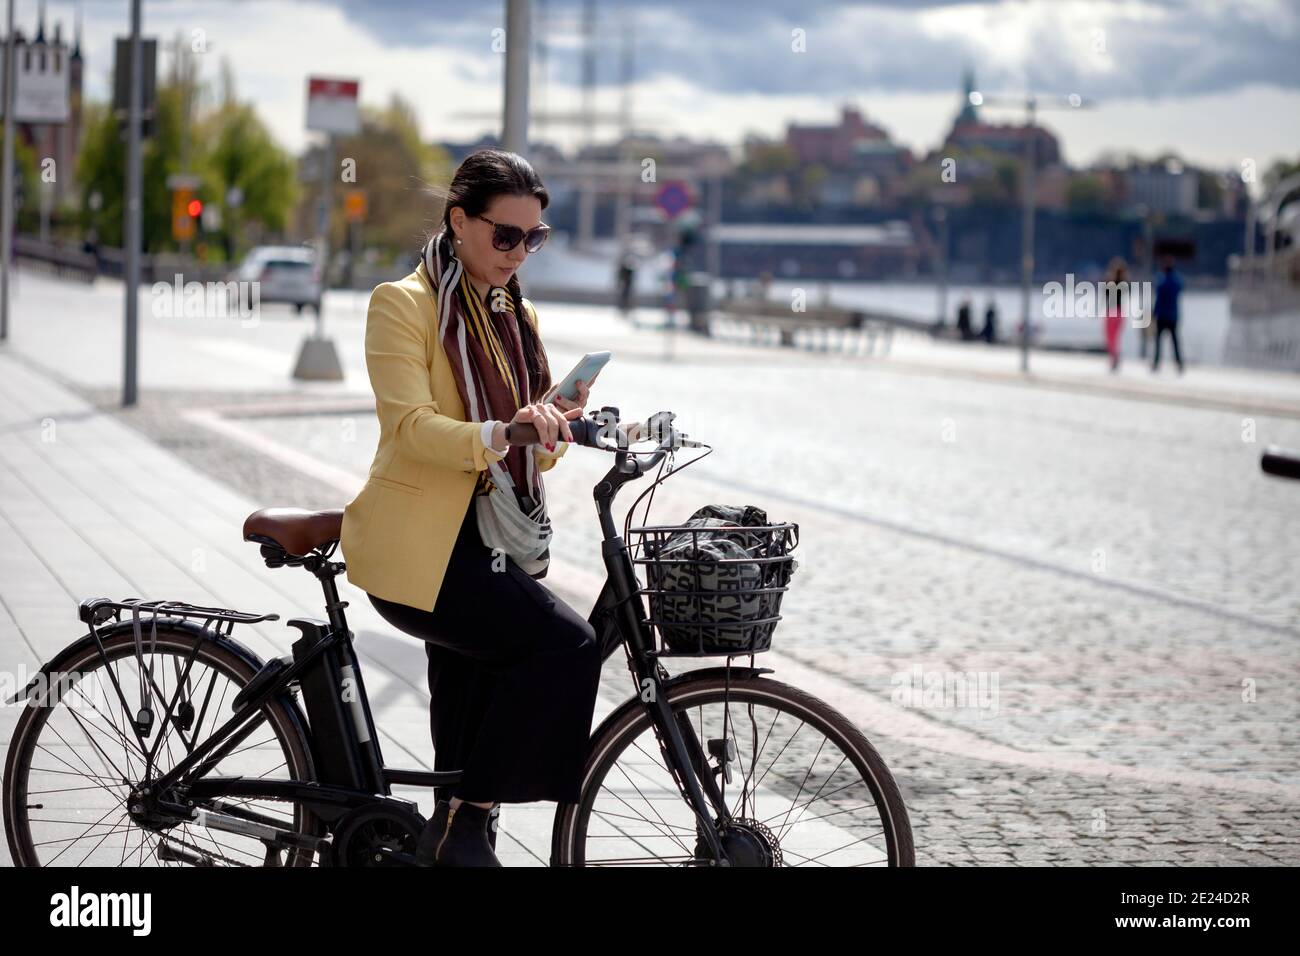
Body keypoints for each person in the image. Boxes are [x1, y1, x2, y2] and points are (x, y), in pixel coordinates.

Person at [338, 149, 603, 867]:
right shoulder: (403, 305)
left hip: (492, 542)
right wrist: (504, 430)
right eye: (505, 235)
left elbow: (534, 455)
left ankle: (451, 831)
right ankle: (468, 825)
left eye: (534, 239)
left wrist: (554, 422)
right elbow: (411, 428)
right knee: (568, 646)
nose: (519, 253)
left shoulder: (518, 316)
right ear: (459, 220)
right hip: (418, 555)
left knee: (466, 724)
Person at [1151, 257, 1185, 374]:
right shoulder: (1177, 280)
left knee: (1158, 341)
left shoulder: (1162, 280)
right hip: (1173, 315)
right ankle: (1179, 363)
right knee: (1175, 341)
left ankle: (1156, 363)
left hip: (1162, 315)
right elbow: (1181, 290)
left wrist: (1154, 313)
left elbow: (1159, 299)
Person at [1102, 257, 1128, 372]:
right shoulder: (1124, 283)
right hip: (1119, 312)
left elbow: (1106, 294)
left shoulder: (1110, 282)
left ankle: (1114, 357)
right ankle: (1115, 357)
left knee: (1109, 337)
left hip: (1111, 311)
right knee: (1116, 338)